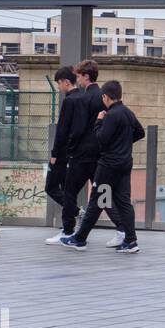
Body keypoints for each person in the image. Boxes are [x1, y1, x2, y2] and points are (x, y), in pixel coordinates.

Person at [61, 80, 143, 253]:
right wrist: (124, 144)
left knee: (97, 201)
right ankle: (131, 241)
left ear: (106, 96)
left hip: (108, 167)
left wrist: (98, 122)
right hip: (124, 165)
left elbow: (101, 140)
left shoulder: (111, 115)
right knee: (123, 202)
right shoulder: (128, 112)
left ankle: (79, 239)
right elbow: (140, 132)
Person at [61, 59, 107, 241]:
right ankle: (122, 229)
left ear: (86, 76)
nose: (77, 79)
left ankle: (68, 230)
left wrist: (70, 149)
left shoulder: (83, 98)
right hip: (101, 154)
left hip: (81, 154)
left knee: (69, 191)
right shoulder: (105, 96)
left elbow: (77, 129)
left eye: (79, 76)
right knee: (103, 192)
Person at [43, 66, 81, 245]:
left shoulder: (69, 101)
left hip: (63, 153)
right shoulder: (84, 98)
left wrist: (54, 154)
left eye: (59, 83)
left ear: (67, 82)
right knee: (67, 189)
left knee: (51, 186)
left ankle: (73, 215)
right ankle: (70, 221)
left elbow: (62, 130)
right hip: (77, 153)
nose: (58, 87)